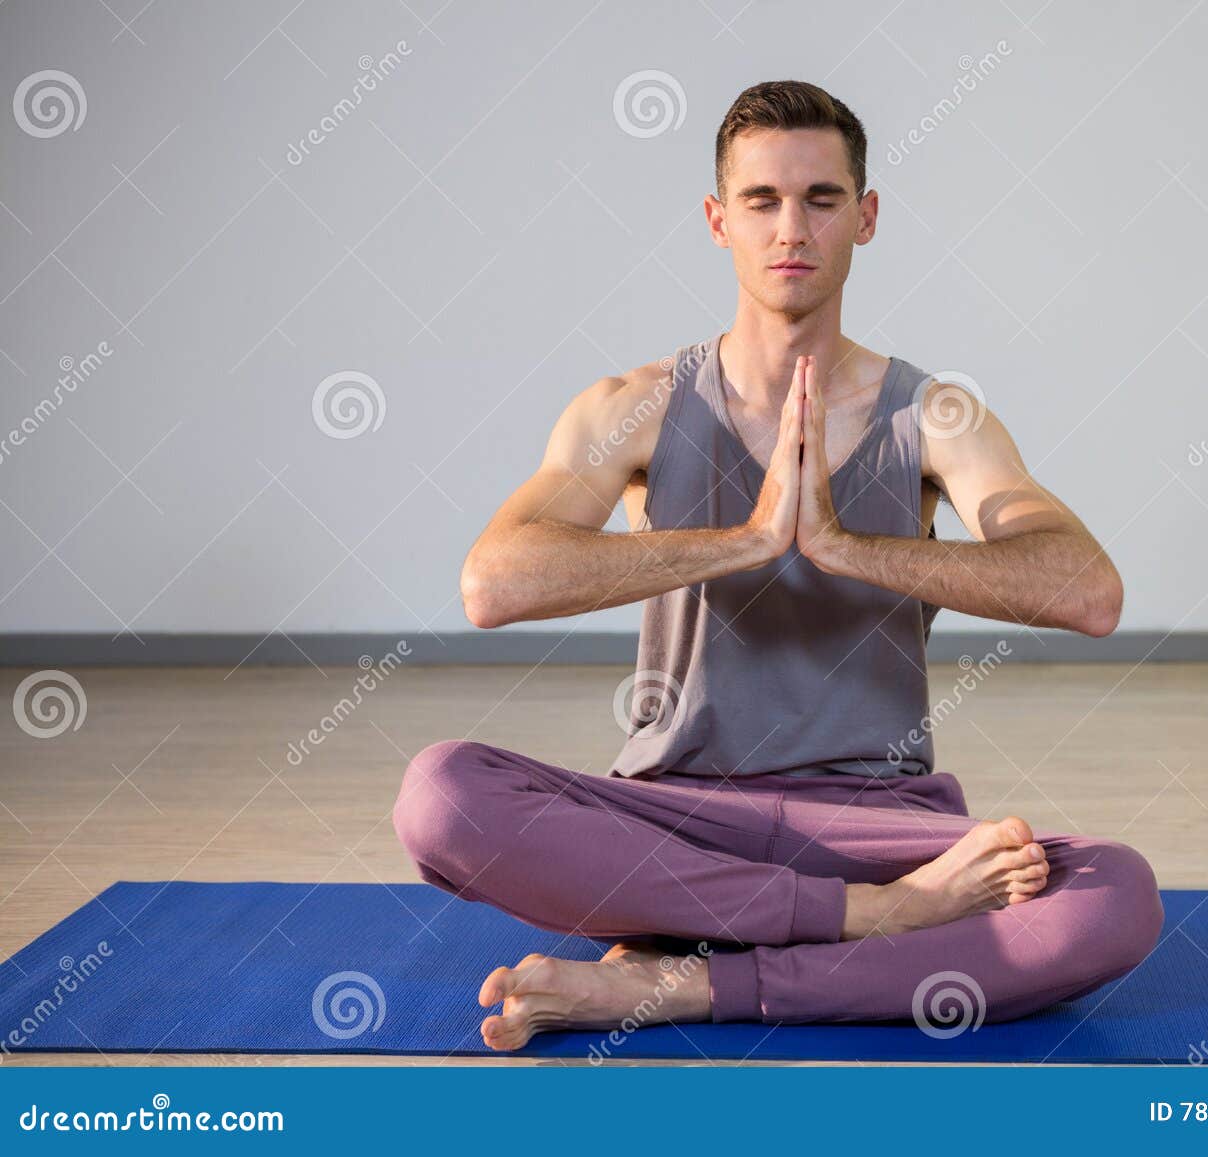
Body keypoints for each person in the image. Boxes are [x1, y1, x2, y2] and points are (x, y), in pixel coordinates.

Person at [393, 79, 1162, 1052]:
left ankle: (681, 981)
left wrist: (845, 546)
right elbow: (493, 582)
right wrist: (748, 539)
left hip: (877, 825)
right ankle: (859, 929)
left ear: (865, 216)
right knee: (441, 792)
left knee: (1115, 894)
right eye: (760, 200)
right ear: (719, 221)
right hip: (675, 817)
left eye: (821, 198)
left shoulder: (936, 417)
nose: (789, 226)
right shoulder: (629, 406)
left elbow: (1087, 592)